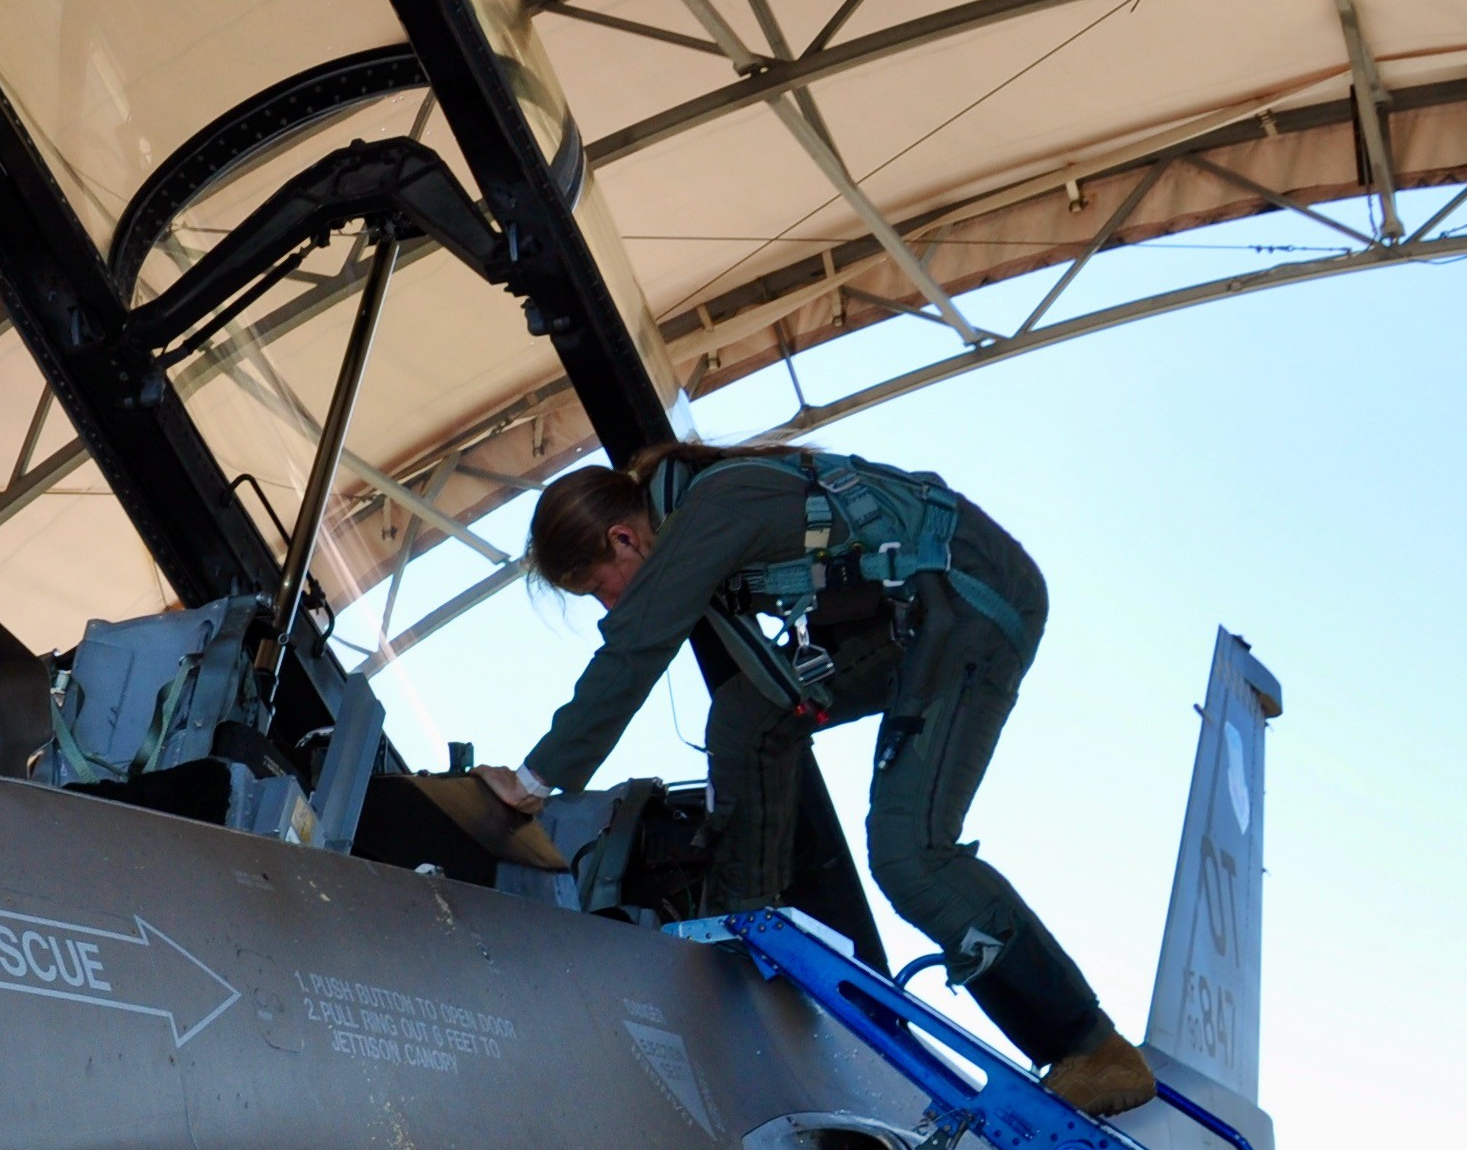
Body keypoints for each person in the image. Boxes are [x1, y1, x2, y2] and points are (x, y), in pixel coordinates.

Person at [480, 443, 1157, 1115]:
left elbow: (636, 647)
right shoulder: (701, 505)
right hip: (915, 616)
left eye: (598, 585)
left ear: (623, 538)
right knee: (748, 718)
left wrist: (534, 782)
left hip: (970, 601)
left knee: (910, 855)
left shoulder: (712, 507)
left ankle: (1089, 1046)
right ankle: (740, 929)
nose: (608, 602)